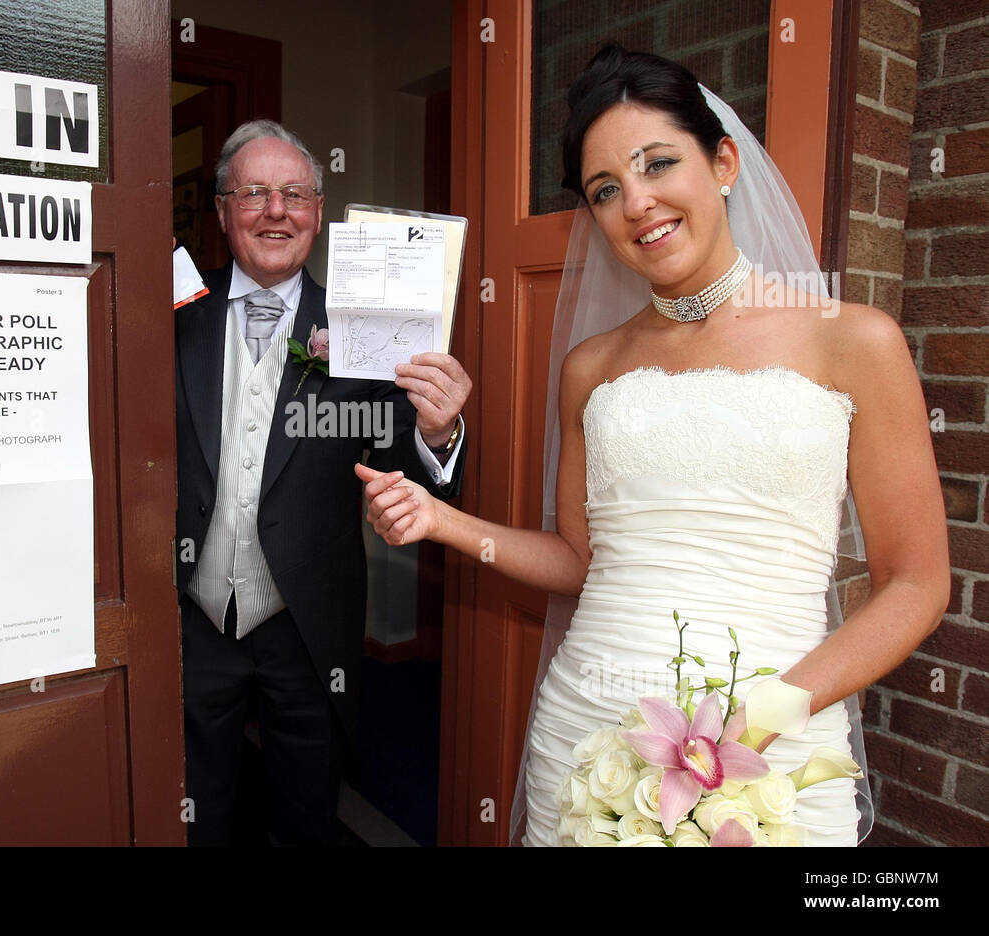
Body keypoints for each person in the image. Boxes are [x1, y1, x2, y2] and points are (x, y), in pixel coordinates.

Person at [357, 45, 949, 846]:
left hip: (773, 744)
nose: (636, 203)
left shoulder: (853, 343)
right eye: (606, 190)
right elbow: (578, 560)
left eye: (658, 163)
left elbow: (915, 584)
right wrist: (442, 522)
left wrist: (760, 721)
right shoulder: (590, 368)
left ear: (726, 162)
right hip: (589, 733)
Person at [176, 119, 472, 846]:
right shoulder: (171, 312)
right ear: (222, 211)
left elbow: (410, 471)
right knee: (191, 805)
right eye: (253, 193)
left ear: (317, 212)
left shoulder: (369, 325)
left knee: (306, 813)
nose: (276, 211)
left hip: (310, 624)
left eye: (295, 194)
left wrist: (437, 434)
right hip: (189, 619)